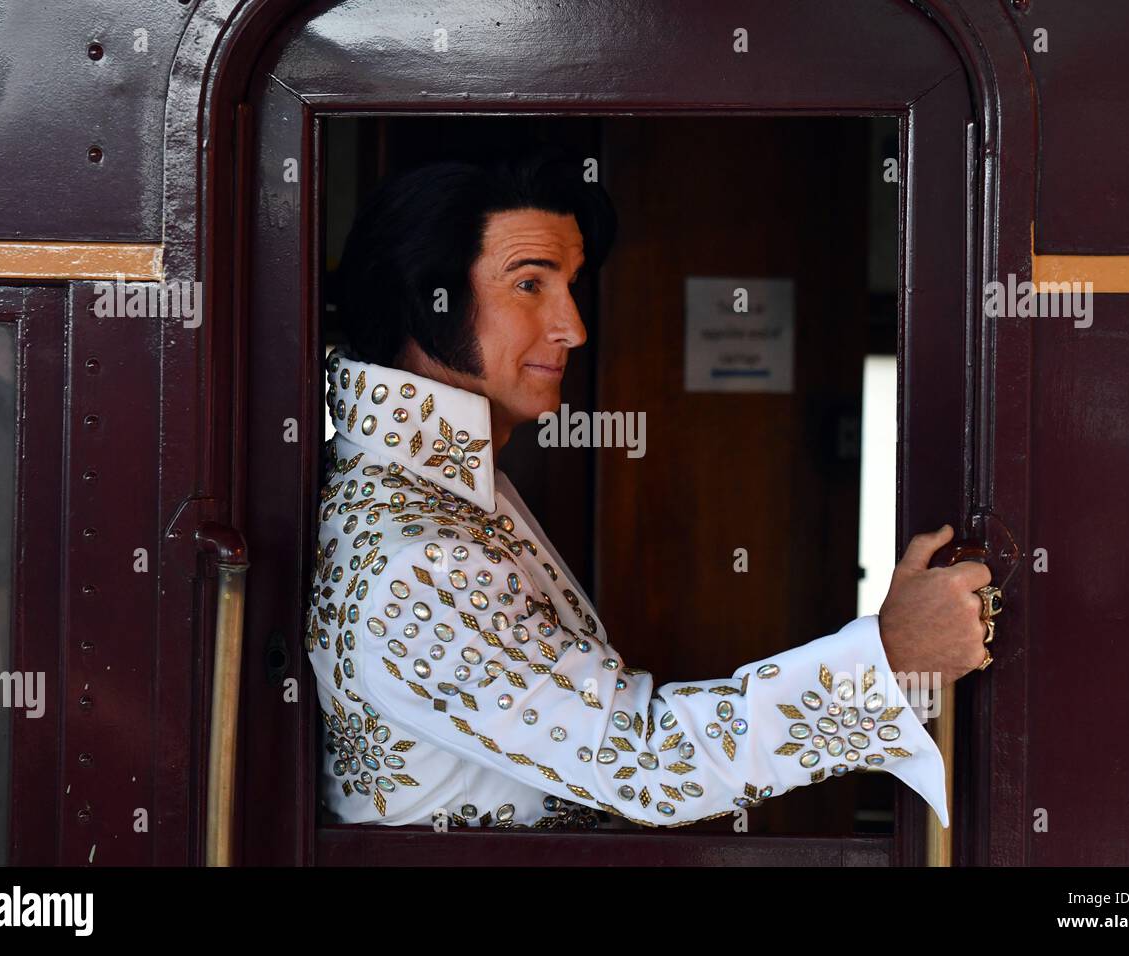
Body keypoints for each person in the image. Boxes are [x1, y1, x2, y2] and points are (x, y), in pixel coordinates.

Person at [305, 145, 995, 830]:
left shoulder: (418, 490)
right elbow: (644, 762)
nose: (571, 327)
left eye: (571, 286)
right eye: (529, 284)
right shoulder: (423, 556)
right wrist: (890, 657)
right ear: (425, 299)